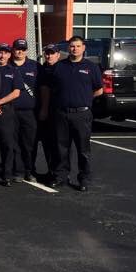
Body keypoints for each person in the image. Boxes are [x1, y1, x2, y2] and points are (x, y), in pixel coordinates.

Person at [40, 36, 103, 192]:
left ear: (83, 48)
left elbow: (99, 90)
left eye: (77, 46)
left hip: (82, 115)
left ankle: (84, 179)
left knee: (83, 149)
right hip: (61, 114)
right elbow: (48, 88)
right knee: (61, 148)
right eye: (72, 46)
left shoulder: (91, 67)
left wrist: (85, 100)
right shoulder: (59, 67)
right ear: (68, 49)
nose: (74, 49)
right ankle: (61, 176)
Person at [9, 38, 40, 181]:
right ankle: (18, 171)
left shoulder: (35, 66)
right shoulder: (6, 66)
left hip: (29, 112)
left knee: (29, 143)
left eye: (22, 49)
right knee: (14, 143)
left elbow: (43, 89)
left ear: (26, 50)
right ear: (13, 49)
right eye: (17, 48)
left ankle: (29, 170)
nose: (19, 51)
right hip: (11, 111)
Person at [0, 42, 19, 186]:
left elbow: (16, 92)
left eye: (6, 53)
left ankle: (6, 175)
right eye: (0, 52)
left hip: (6, 112)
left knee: (7, 145)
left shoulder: (13, 70)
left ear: (10, 55)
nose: (3, 55)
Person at [36, 44, 61, 180]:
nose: (49, 55)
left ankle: (60, 174)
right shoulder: (41, 69)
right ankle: (51, 171)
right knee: (47, 143)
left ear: (58, 54)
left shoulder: (63, 68)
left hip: (59, 112)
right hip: (44, 112)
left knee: (59, 145)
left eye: (52, 53)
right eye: (47, 53)